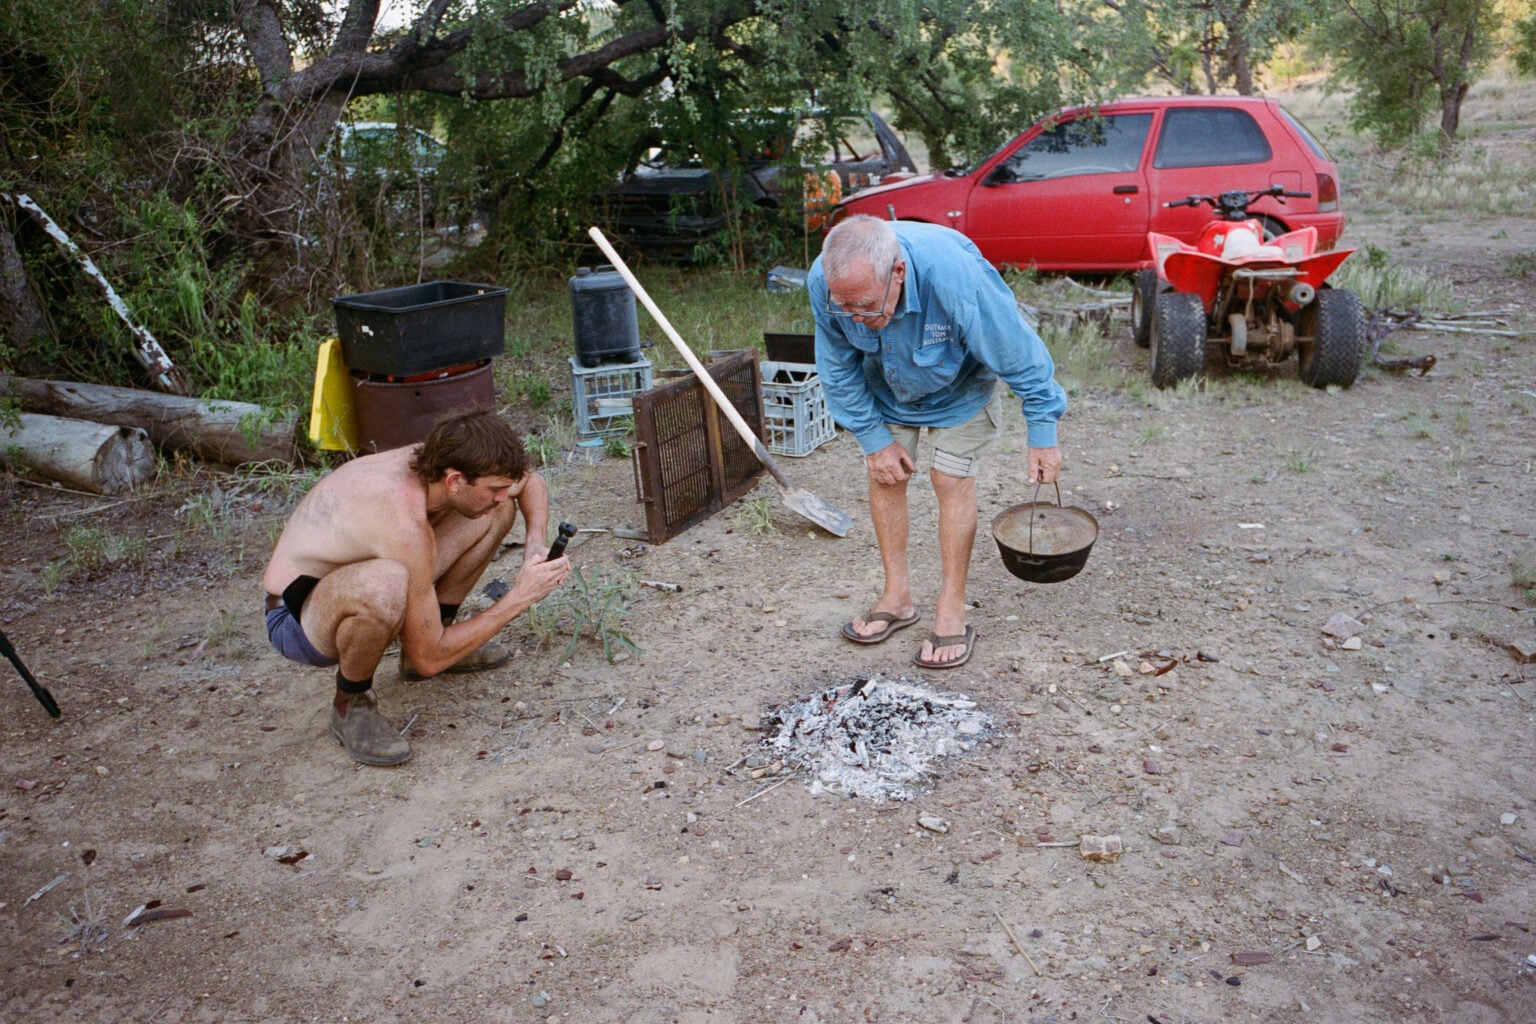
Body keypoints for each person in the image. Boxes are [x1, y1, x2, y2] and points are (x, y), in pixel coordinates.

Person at [809, 215, 1067, 669]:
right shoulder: (830, 284)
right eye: (846, 308)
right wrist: (873, 440)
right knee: (885, 475)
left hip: (961, 387)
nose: (858, 319)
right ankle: (898, 596)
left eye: (867, 306)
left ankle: (951, 606)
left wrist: (1042, 431)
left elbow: (1017, 351)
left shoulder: (956, 278)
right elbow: (836, 366)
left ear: (899, 272)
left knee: (949, 478)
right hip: (887, 385)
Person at [261, 410, 570, 766]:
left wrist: (534, 543)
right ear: (455, 481)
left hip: (363, 574)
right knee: (385, 584)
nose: (503, 495)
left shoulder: (445, 461)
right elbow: (429, 661)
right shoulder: (401, 519)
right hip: (298, 616)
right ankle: (352, 702)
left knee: (494, 514)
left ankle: (441, 628)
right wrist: (521, 596)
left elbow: (529, 481)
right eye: (496, 489)